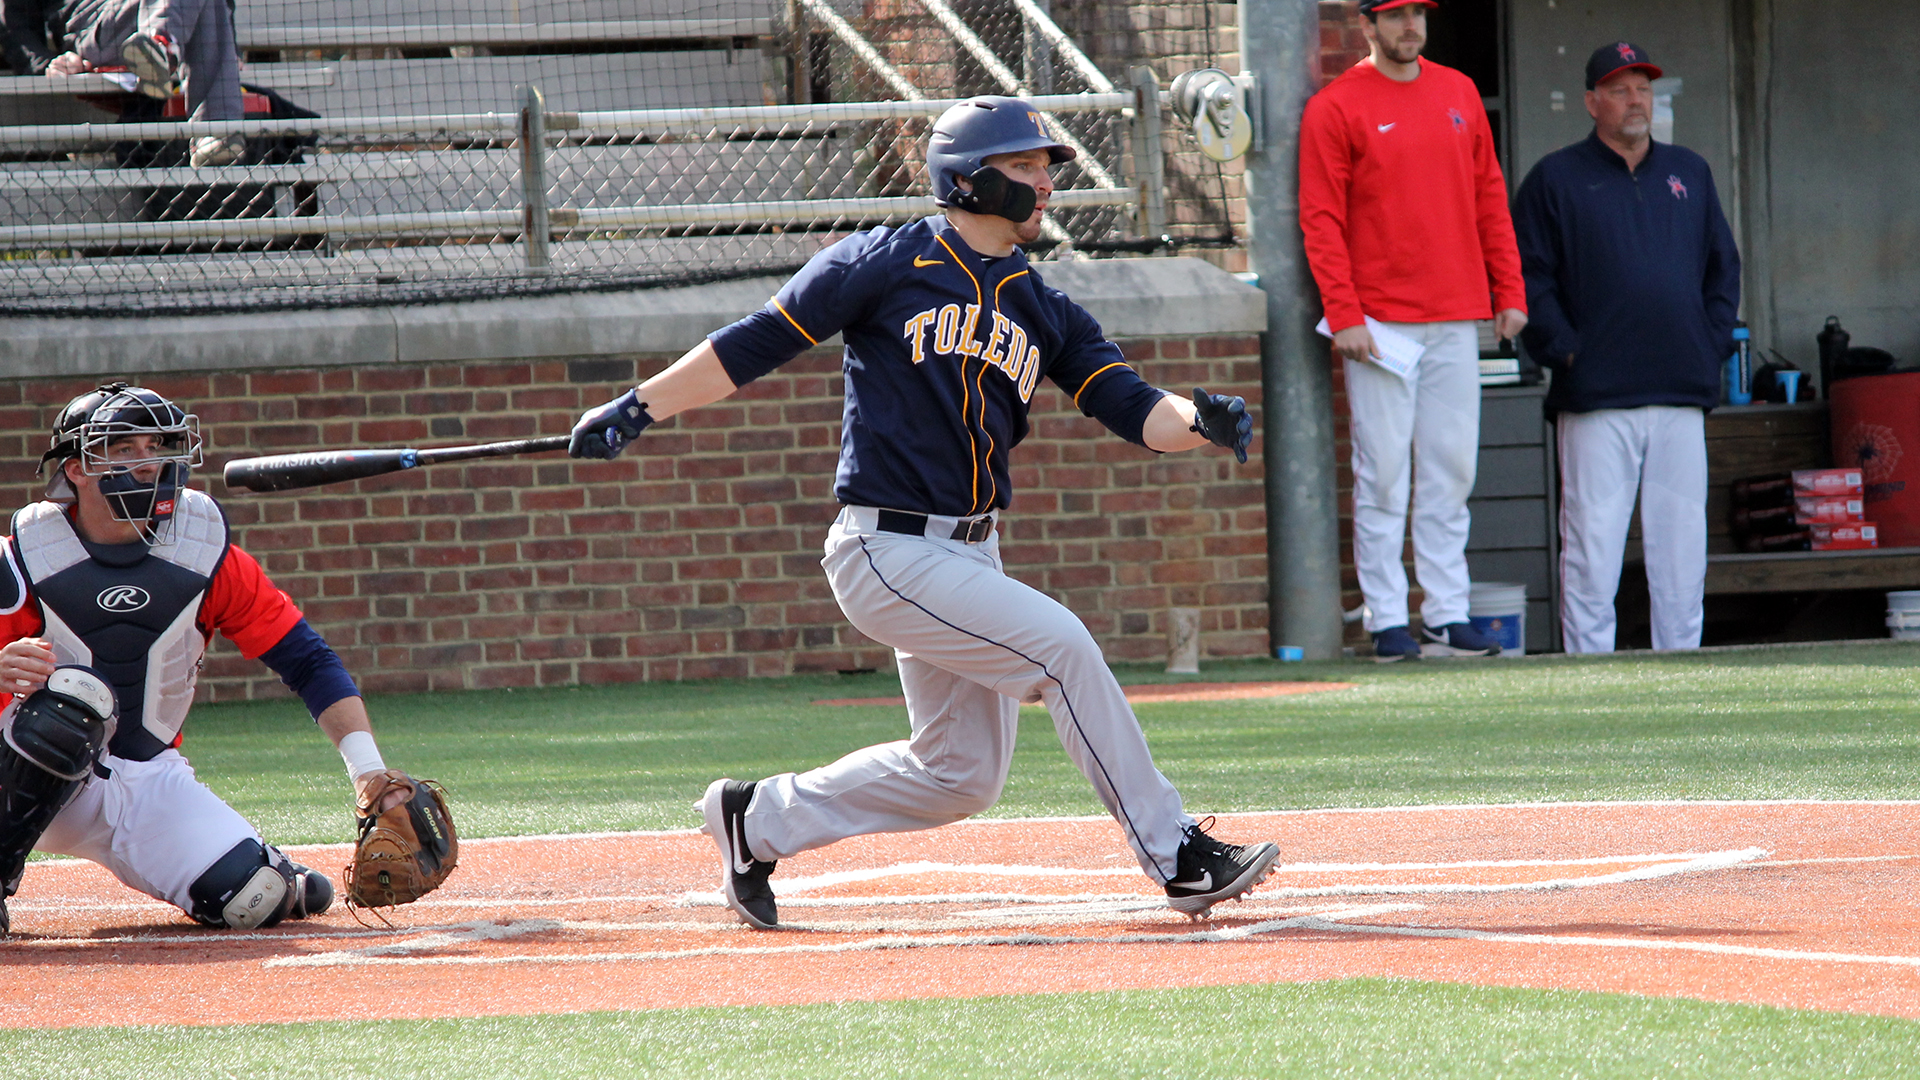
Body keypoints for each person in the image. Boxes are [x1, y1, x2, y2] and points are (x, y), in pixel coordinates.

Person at [570, 95, 1281, 930]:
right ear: (969, 178)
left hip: (971, 553)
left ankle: (755, 820)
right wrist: (639, 406)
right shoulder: (882, 262)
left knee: (959, 775)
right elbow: (754, 342)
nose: (1045, 183)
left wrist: (1198, 422)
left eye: (1045, 167)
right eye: (1024, 165)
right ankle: (1177, 854)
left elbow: (1132, 407)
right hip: (886, 547)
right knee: (1063, 650)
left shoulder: (1041, 305)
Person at [0, 383, 413, 935]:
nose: (148, 463)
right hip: (22, 770)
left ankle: (276, 872)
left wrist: (370, 774)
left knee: (256, 898)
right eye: (124, 449)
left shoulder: (202, 554)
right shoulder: (23, 558)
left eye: (157, 447)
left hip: (145, 777)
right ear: (76, 468)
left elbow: (308, 662)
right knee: (75, 701)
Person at [1297, 0, 1528, 662]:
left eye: (1418, 14)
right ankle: (1387, 618)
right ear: (1367, 24)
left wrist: (1509, 291)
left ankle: (1447, 612)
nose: (1410, 27)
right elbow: (1321, 216)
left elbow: (1489, 197)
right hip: (1379, 322)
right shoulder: (1336, 106)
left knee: (1452, 469)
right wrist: (1344, 314)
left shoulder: (1459, 91)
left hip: (1456, 313)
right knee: (1384, 473)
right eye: (1395, 15)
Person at [1512, 43, 1740, 653]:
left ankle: (1682, 671)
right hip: (1596, 394)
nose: (1635, 100)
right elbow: (1527, 275)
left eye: (1643, 88)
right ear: (1592, 102)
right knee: (1592, 547)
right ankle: (1590, 676)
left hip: (1679, 390)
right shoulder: (1555, 178)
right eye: (1619, 90)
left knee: (1682, 550)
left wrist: (1710, 344)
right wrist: (1563, 350)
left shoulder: (1689, 171)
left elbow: (1723, 268)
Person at [0, 0, 246, 166]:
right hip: (94, 28)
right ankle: (216, 128)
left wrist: (229, 48)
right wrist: (46, 65)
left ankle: (159, 50)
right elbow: (12, 20)